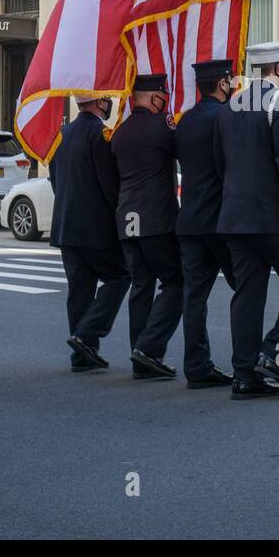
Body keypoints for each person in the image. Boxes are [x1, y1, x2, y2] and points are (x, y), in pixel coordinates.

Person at [214, 40, 279, 400]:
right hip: (272, 218)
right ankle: (274, 351)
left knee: (249, 293)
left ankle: (244, 376)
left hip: (234, 217)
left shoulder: (229, 108)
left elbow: (220, 164)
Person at [110, 72, 185, 381]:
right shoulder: (163, 128)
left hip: (126, 217)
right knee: (177, 282)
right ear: (156, 98)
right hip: (156, 218)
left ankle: (140, 357)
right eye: (164, 98)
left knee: (141, 285)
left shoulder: (120, 132)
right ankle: (149, 347)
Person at [51, 93, 130, 371]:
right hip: (96, 227)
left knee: (80, 289)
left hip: (66, 225)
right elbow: (109, 184)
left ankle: (82, 355)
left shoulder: (62, 133)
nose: (110, 104)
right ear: (99, 102)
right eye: (107, 99)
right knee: (120, 277)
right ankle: (87, 335)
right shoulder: (101, 134)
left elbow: (55, 179)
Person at [172, 59, 237, 389]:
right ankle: (247, 362)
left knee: (194, 298)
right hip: (222, 223)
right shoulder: (226, 118)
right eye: (230, 80)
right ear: (223, 84)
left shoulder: (184, 123)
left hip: (191, 220)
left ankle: (197, 367)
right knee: (246, 290)